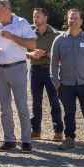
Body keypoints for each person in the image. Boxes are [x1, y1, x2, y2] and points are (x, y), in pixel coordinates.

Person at [0, 0, 37, 152]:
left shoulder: (21, 22)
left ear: (7, 9)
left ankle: (26, 140)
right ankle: (9, 140)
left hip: (17, 68)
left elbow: (32, 44)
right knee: (4, 107)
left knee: (21, 105)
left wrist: (12, 37)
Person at [50, 8, 84, 150]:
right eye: (70, 18)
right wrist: (56, 82)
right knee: (69, 113)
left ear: (81, 21)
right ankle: (69, 138)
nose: (72, 21)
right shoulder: (59, 40)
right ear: (67, 20)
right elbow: (53, 63)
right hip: (65, 85)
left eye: (75, 18)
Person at [28, 8, 63, 142]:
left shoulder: (55, 34)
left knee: (54, 100)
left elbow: (61, 55)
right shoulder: (29, 34)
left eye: (38, 16)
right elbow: (22, 51)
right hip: (35, 69)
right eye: (34, 16)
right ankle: (35, 131)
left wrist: (47, 54)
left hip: (50, 70)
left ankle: (58, 131)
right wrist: (31, 54)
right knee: (36, 101)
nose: (35, 19)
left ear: (45, 18)